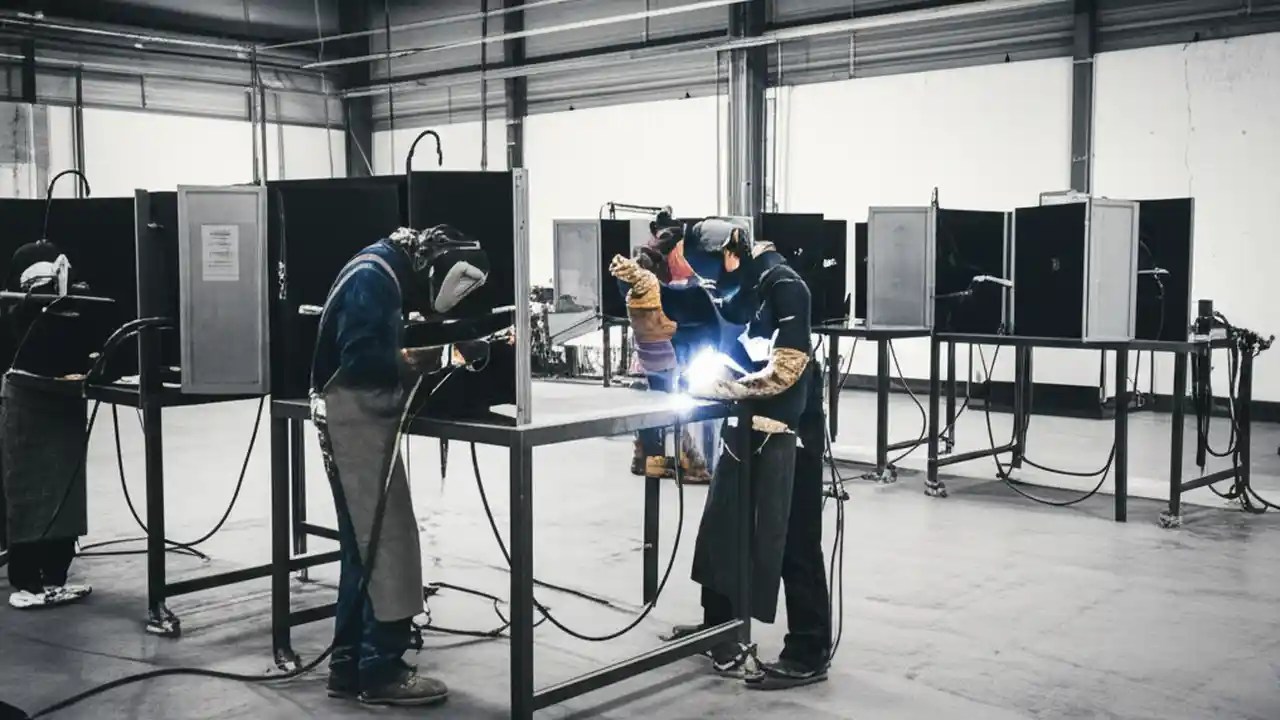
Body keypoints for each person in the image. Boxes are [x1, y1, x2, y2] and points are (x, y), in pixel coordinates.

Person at [643, 217, 831, 689]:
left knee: (794, 538)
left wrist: (731, 385)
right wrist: (647, 287)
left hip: (792, 431)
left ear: (731, 256)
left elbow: (787, 369)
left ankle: (809, 649)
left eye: (713, 273)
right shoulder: (742, 282)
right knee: (722, 524)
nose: (714, 285)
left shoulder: (786, 286)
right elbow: (701, 308)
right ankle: (718, 626)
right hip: (744, 419)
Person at [310, 225, 489, 706]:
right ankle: (380, 670)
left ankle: (348, 667)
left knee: (361, 550)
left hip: (354, 418)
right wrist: (449, 354)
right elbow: (366, 360)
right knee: (385, 546)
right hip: (354, 418)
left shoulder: (381, 265)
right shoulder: (375, 278)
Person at [2, 241, 96, 610]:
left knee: (66, 494)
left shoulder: (74, 308)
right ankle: (26, 578)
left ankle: (57, 575)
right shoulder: (14, 312)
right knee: (28, 494)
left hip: (65, 401)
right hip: (27, 405)